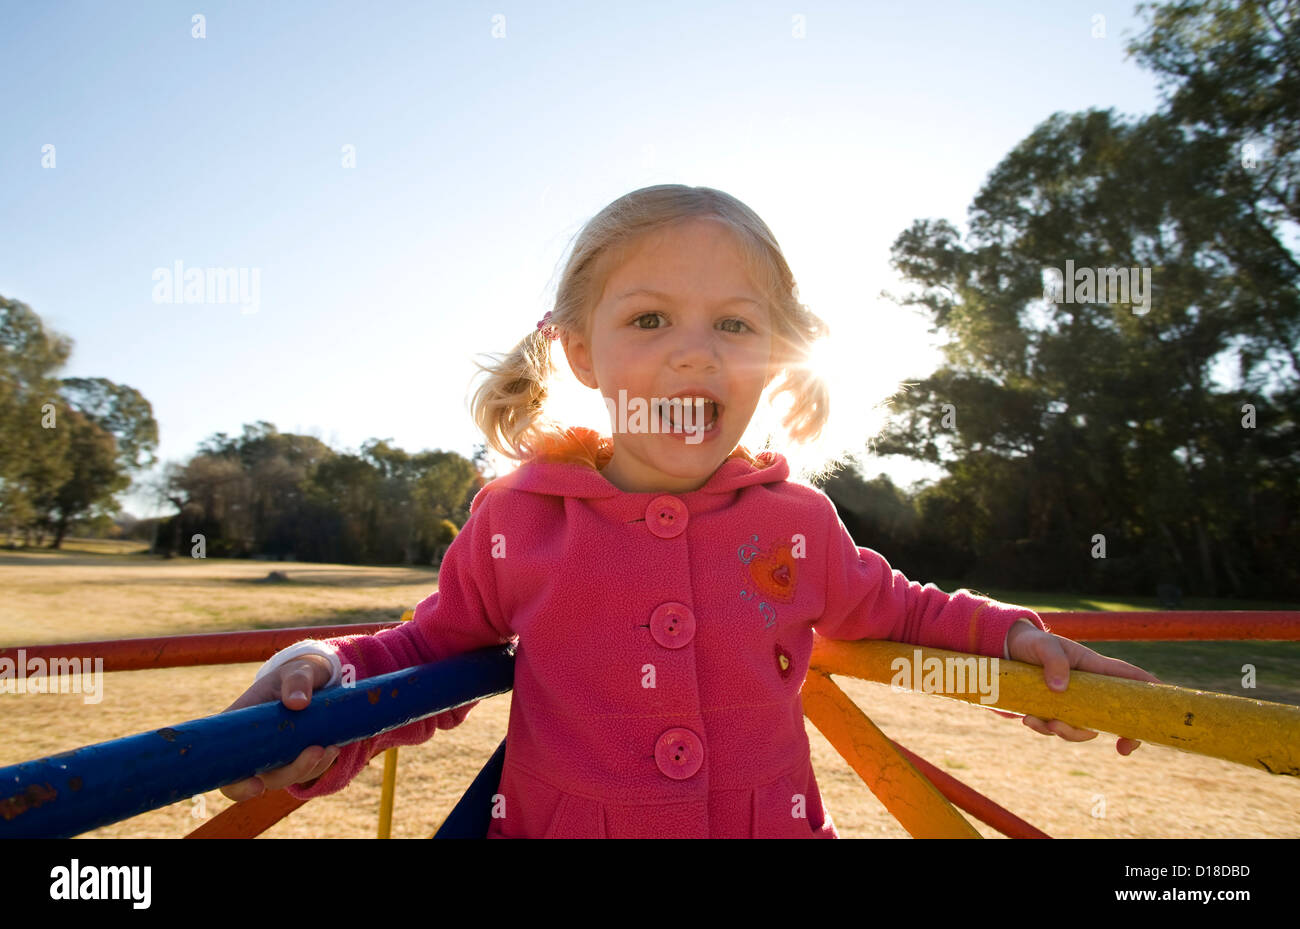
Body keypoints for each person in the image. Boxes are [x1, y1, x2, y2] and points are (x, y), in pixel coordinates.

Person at [219, 184, 1159, 837]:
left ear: (776, 354)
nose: (695, 354)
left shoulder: (796, 522)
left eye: (736, 324)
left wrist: (1019, 645)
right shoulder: (516, 521)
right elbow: (430, 653)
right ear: (581, 352)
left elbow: (909, 612)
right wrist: (326, 681)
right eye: (650, 319)